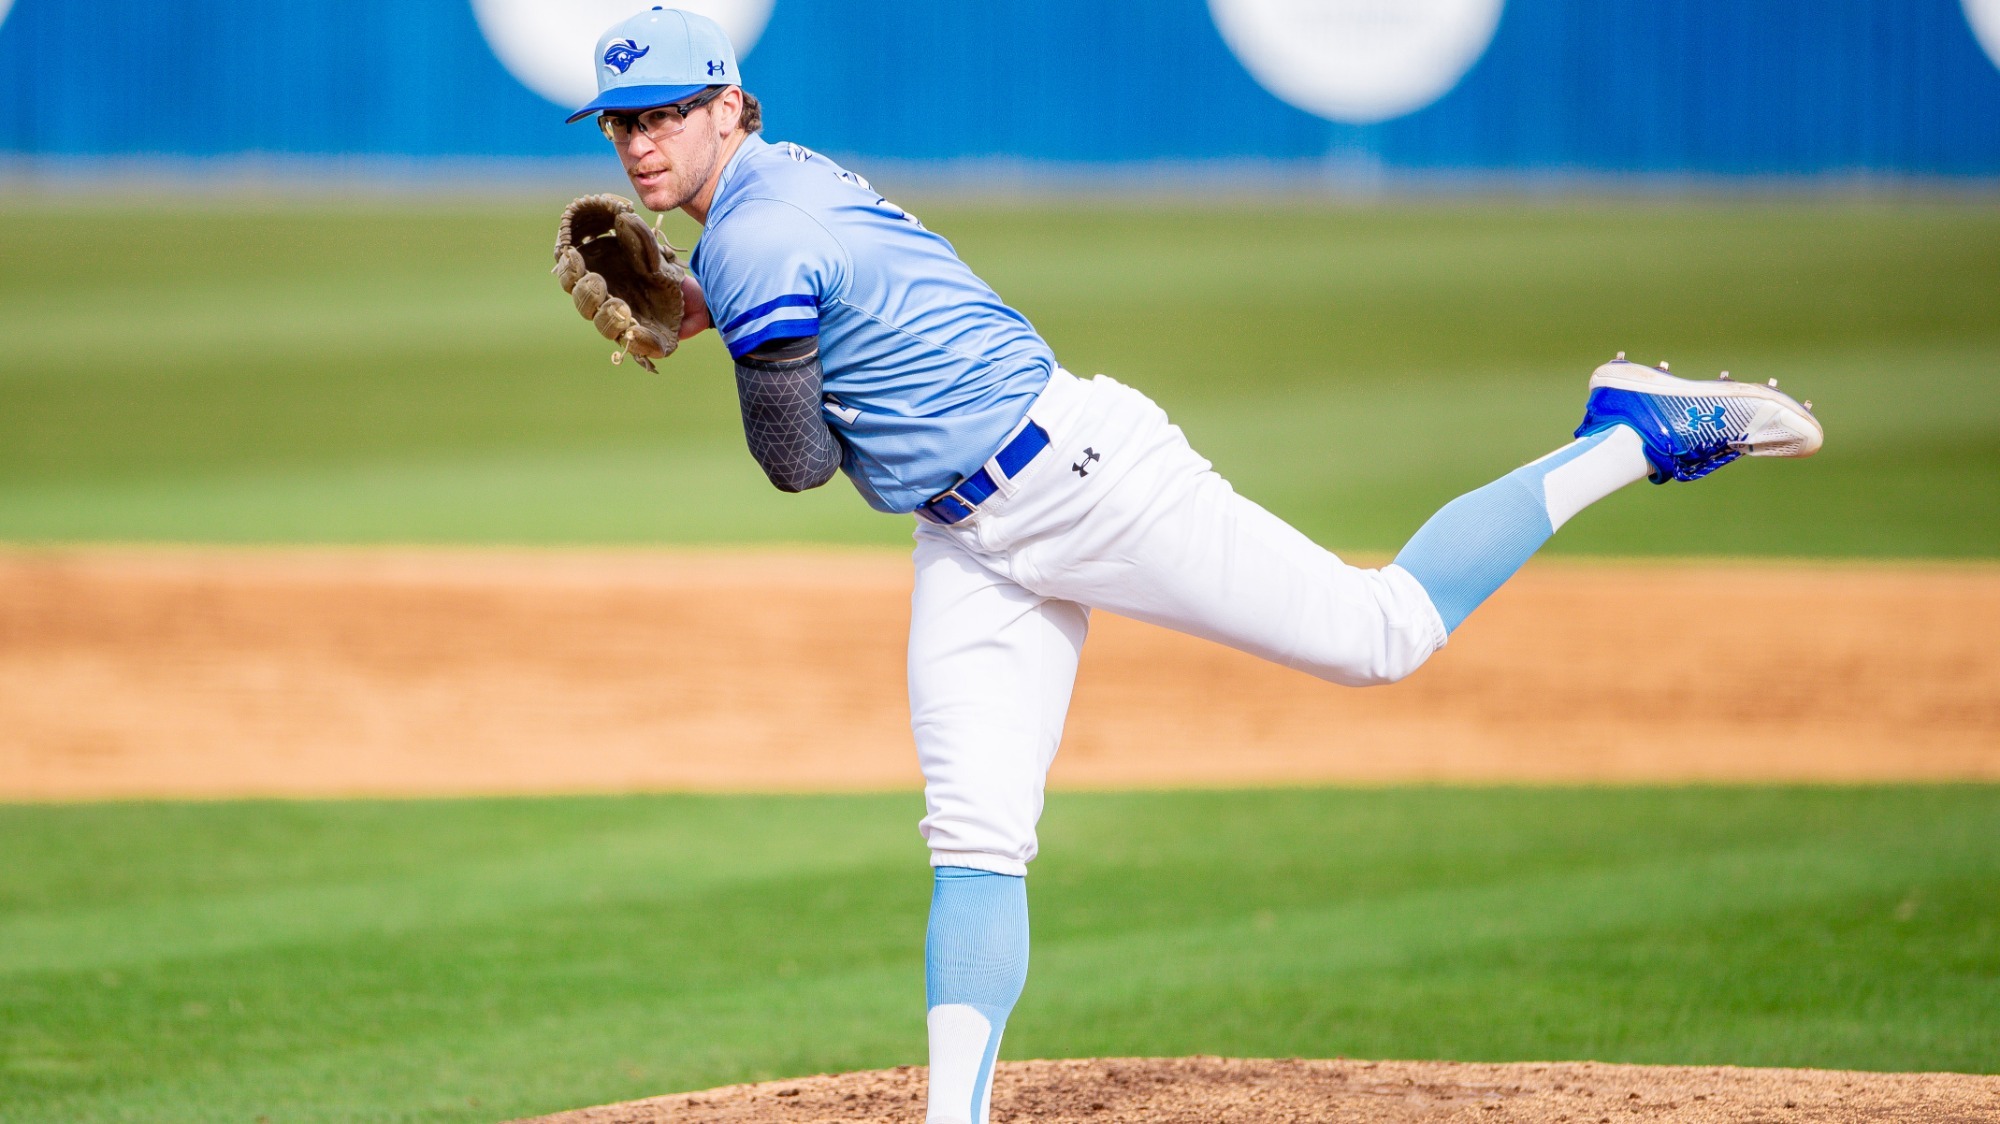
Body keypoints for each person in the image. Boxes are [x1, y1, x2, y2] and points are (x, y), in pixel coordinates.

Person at [562, 10, 1823, 1123]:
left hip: (1088, 477)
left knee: (1378, 631)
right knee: (974, 831)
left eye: (666, 112)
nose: (638, 143)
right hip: (970, 531)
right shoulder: (770, 195)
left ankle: (1622, 433)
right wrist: (693, 301)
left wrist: (698, 311)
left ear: (729, 105)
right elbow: (838, 303)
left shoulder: (756, 230)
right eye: (620, 120)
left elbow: (792, 460)